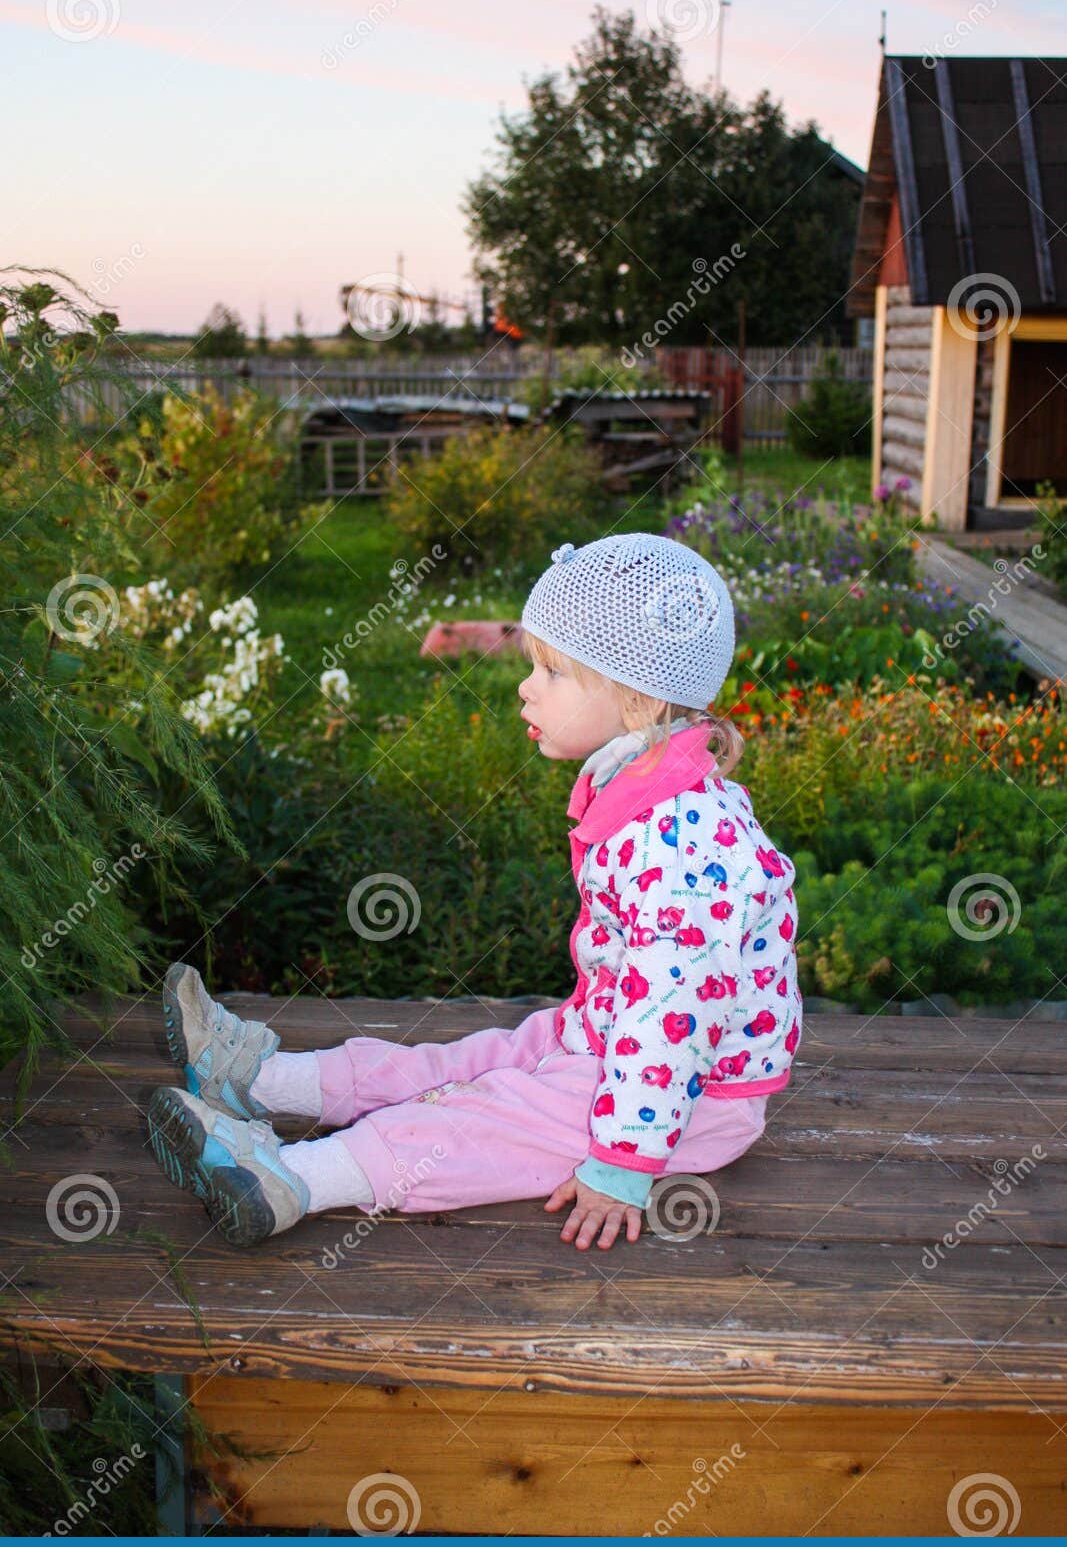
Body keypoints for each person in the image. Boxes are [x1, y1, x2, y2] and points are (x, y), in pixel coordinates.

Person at [146, 533, 802, 1252]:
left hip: (685, 1099)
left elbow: (671, 1018)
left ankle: (288, 1176)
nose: (526, 686)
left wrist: (620, 1167)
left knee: (486, 1115)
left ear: (638, 701)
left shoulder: (687, 843)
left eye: (551, 672)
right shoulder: (646, 790)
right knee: (463, 1063)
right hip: (609, 1041)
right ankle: (263, 1083)